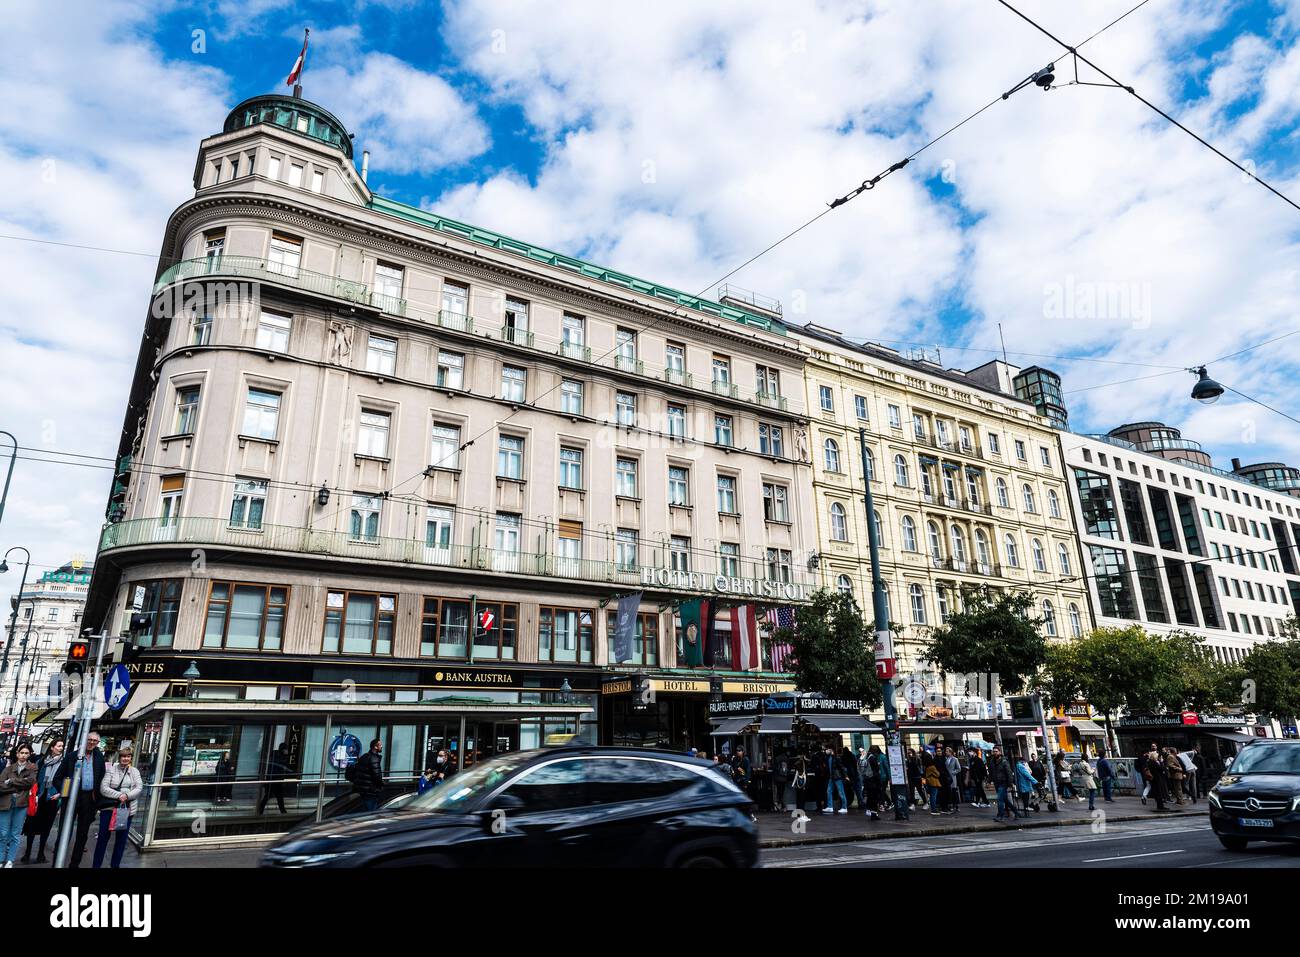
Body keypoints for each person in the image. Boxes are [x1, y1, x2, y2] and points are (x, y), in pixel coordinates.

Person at [51, 731, 107, 868]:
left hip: (89, 799)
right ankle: (56, 864)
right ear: (84, 740)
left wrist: (97, 800)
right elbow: (57, 779)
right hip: (72, 798)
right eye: (89, 739)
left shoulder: (99, 757)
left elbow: (101, 779)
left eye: (95, 741)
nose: (92, 742)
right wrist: (66, 792)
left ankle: (74, 864)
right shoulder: (72, 756)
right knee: (64, 832)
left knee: (82, 834)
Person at [93, 747, 143, 869]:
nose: (125, 758)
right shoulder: (111, 770)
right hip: (110, 808)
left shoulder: (135, 771)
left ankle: (115, 865)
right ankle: (96, 865)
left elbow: (139, 788)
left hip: (127, 809)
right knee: (103, 838)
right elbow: (103, 788)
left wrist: (126, 796)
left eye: (128, 756)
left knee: (121, 840)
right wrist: (119, 795)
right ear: (119, 757)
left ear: (131, 758)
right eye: (123, 756)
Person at [22, 737, 64, 864]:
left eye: (62, 746)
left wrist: (61, 794)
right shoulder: (41, 762)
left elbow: (67, 780)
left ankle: (41, 853)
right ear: (52, 747)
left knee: (47, 827)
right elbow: (34, 779)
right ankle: (27, 853)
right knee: (31, 826)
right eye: (58, 746)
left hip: (52, 798)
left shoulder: (63, 763)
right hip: (38, 797)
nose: (61, 748)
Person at [0, 743, 36, 868]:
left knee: (15, 834)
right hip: (6, 803)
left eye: (26, 753)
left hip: (21, 804)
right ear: (17, 754)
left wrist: (10, 782)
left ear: (29, 754)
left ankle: (10, 859)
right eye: (21, 753)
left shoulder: (32, 767)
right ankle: (0, 859)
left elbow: (30, 783)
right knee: (3, 833)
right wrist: (17, 787)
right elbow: (0, 785)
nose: (23, 755)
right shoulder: (8, 768)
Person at [353, 738, 385, 812]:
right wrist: (382, 784)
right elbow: (377, 775)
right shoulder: (374, 758)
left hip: (363, 790)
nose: (382, 746)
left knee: (366, 810)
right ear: (375, 747)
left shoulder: (365, 756)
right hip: (371, 790)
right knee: (370, 813)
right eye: (380, 745)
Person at [258, 742, 290, 814]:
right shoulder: (279, 758)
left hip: (274, 780)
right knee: (275, 797)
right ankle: (283, 811)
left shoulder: (276, 756)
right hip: (275, 780)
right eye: (286, 749)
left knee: (271, 796)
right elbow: (280, 768)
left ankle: (260, 810)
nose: (287, 751)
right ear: (283, 750)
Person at [990, 747, 1018, 821]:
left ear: (999, 752)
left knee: (999, 799)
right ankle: (1016, 812)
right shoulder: (992, 761)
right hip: (997, 783)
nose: (995, 753)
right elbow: (991, 771)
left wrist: (1010, 784)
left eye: (996, 751)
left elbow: (1009, 773)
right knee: (1005, 800)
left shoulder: (1004, 761)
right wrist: (990, 780)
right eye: (994, 751)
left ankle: (1000, 816)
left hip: (1003, 783)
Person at [822, 745, 847, 814]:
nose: (826, 751)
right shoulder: (828, 757)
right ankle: (830, 807)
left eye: (828, 749)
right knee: (828, 791)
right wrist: (825, 753)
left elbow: (841, 767)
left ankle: (844, 807)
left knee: (841, 792)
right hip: (831, 777)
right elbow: (823, 759)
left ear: (831, 750)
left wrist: (845, 776)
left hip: (837, 777)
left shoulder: (836, 758)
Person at [921, 750, 941, 815]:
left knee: (932, 796)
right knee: (933, 796)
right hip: (934, 782)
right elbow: (938, 774)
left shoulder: (926, 767)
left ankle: (933, 808)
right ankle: (934, 809)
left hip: (929, 782)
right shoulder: (932, 767)